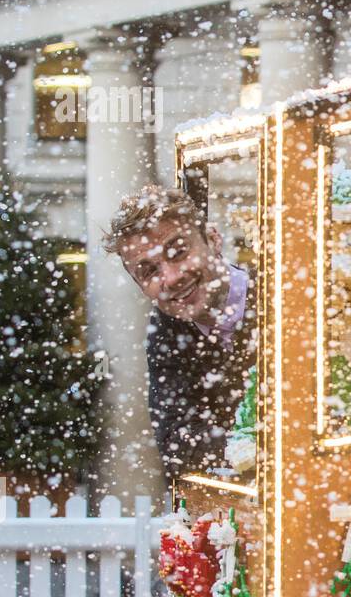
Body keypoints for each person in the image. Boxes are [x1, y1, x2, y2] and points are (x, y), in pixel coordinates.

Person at [104, 186, 255, 484]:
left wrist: (238, 448)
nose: (171, 278)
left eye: (178, 252)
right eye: (149, 271)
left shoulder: (277, 297)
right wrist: (250, 449)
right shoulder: (166, 329)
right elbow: (175, 445)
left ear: (213, 240)